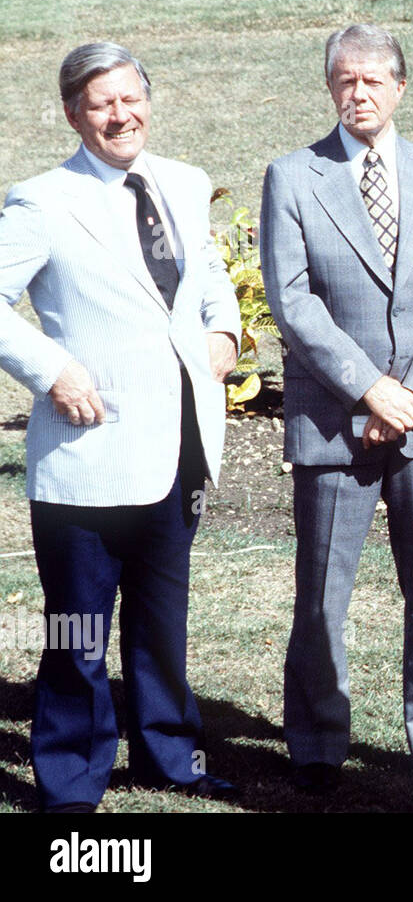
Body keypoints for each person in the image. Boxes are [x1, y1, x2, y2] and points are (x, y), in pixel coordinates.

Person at [0, 42, 242, 812]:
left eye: (130, 97)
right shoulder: (41, 200)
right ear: (73, 114)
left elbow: (207, 276)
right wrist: (53, 371)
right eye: (101, 103)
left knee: (162, 620)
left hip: (180, 447)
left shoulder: (183, 181)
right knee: (78, 630)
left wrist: (227, 333)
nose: (120, 115)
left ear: (148, 98)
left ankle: (170, 754)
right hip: (88, 454)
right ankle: (72, 775)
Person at [260, 24, 413, 795]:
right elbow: (293, 302)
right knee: (322, 590)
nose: (361, 93)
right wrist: (369, 389)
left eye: (375, 79)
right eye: (346, 80)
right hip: (332, 422)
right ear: (330, 89)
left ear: (400, 87)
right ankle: (318, 739)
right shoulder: (293, 178)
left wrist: (408, 396)